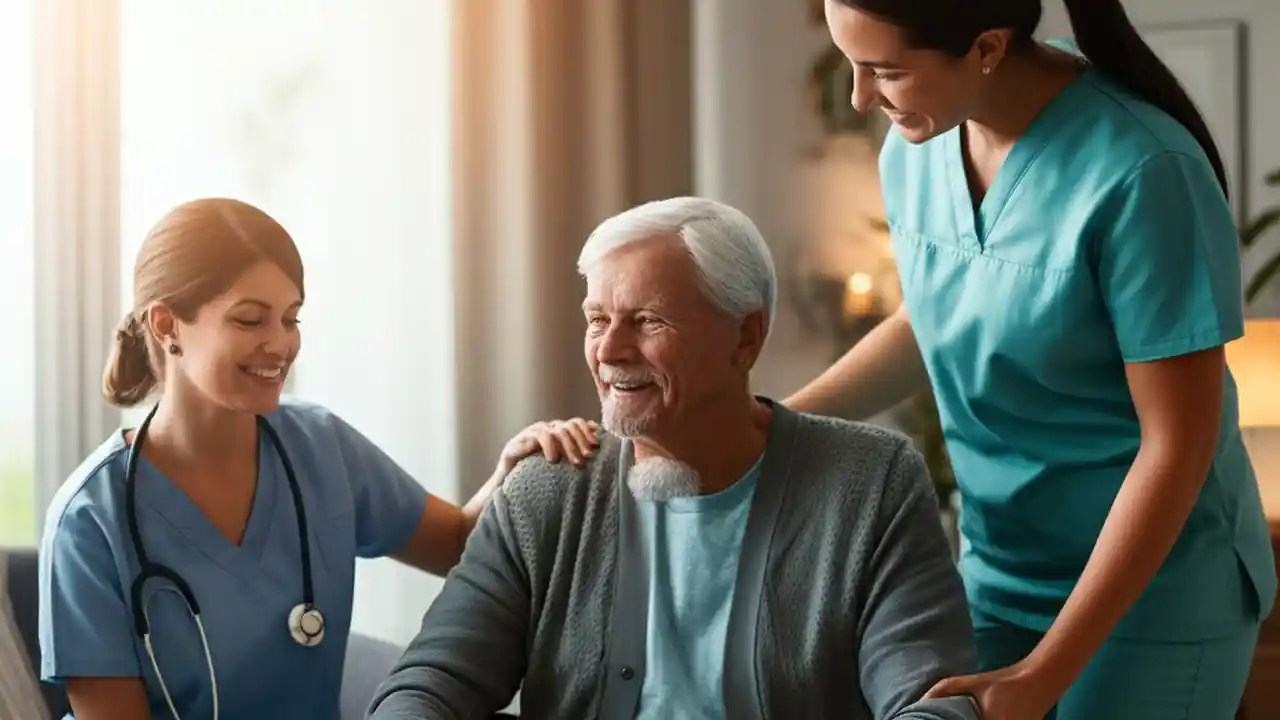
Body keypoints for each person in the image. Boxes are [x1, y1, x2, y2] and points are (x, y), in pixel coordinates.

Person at [784, 1, 1278, 718]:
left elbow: (1178, 445)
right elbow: (934, 318)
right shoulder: (916, 147)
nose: (861, 98)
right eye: (851, 66)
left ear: (985, 47)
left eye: (885, 71)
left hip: (1155, 596)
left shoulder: (1144, 171)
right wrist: (774, 425)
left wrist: (1047, 670)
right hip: (999, 572)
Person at [367, 197, 981, 720]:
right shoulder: (547, 489)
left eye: (647, 320)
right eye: (597, 319)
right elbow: (430, 681)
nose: (609, 349)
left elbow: (930, 694)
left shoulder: (870, 483)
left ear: (746, 338)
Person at [38, 197, 596, 720]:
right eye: (250, 319)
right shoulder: (89, 520)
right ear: (167, 326)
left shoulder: (320, 447)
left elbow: (456, 544)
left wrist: (512, 468)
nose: (280, 344)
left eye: (291, 318)